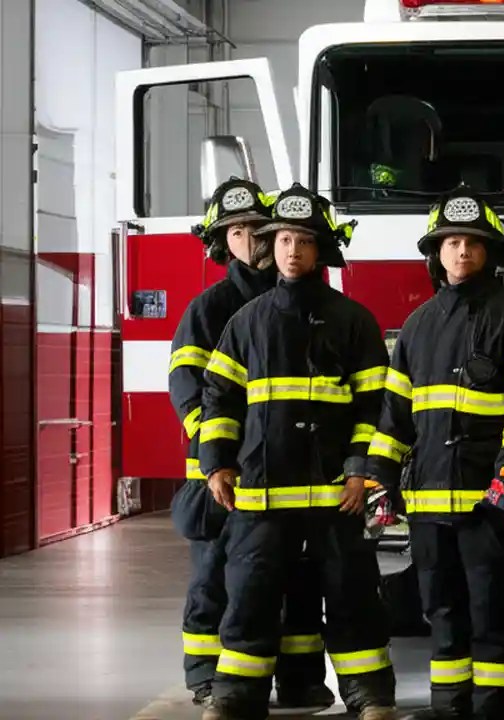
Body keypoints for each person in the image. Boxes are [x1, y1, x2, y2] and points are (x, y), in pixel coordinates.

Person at [198, 183, 397, 720]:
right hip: (261, 493)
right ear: (272, 246)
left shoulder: (354, 322)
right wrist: (216, 460)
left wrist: (360, 472)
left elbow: (374, 407)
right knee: (251, 595)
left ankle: (370, 697)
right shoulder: (247, 322)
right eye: (284, 239)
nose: (292, 250)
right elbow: (219, 395)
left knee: (351, 594)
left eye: (305, 241)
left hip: (337, 496)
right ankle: (236, 698)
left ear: (321, 250)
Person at [366, 188, 504, 720]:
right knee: (442, 614)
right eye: (451, 242)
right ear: (437, 253)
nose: (462, 252)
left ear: (491, 252)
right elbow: (395, 416)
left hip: (493, 506)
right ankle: (450, 707)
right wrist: (381, 475)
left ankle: (501, 710)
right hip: (429, 505)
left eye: (473, 243)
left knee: (498, 613)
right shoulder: (418, 327)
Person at [168, 178, 333, 711]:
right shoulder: (208, 310)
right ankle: (206, 674)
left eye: (258, 230)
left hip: (286, 476)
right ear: (222, 243)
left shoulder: (297, 302)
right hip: (226, 478)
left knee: (296, 580)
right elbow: (192, 395)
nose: (251, 241)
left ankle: (301, 678)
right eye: (237, 232)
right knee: (215, 578)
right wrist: (224, 456)